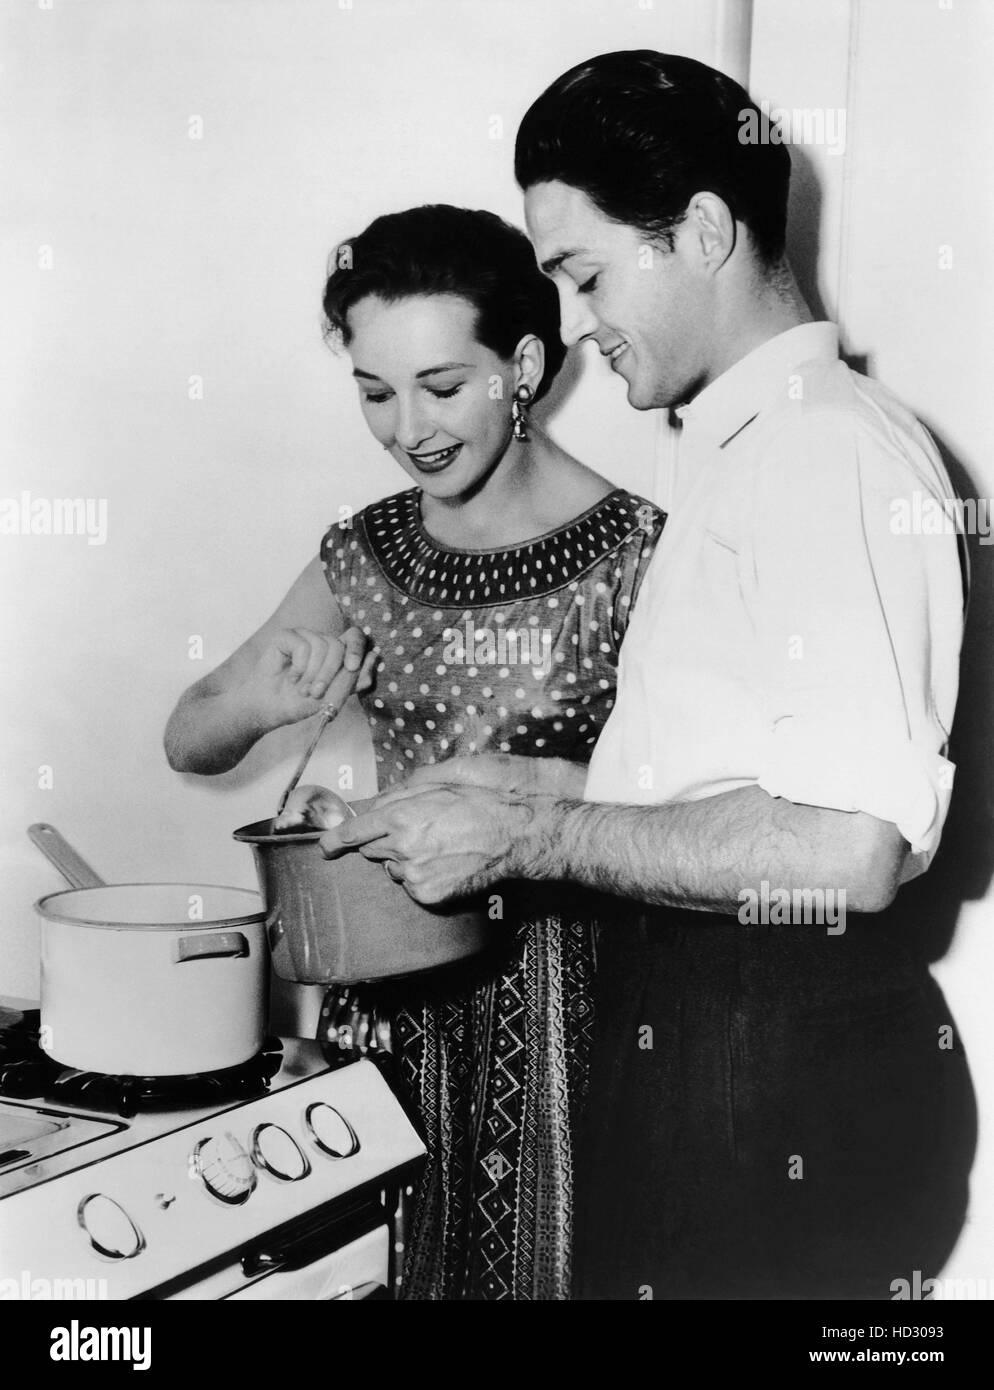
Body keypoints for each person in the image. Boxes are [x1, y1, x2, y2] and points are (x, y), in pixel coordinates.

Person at [320, 54, 977, 1300]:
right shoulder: (750, 451)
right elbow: (724, 779)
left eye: (584, 272)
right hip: (724, 1055)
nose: (572, 321)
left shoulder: (819, 454)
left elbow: (847, 847)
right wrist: (516, 790)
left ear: (706, 233)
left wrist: (534, 841)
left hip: (771, 1073)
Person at [164, 202, 664, 1300]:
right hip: (389, 993)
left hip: (581, 1014)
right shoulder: (367, 548)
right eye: (374, 390)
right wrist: (258, 698)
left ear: (521, 364)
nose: (409, 427)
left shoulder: (636, 551)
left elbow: (690, 799)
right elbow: (191, 735)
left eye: (442, 386)